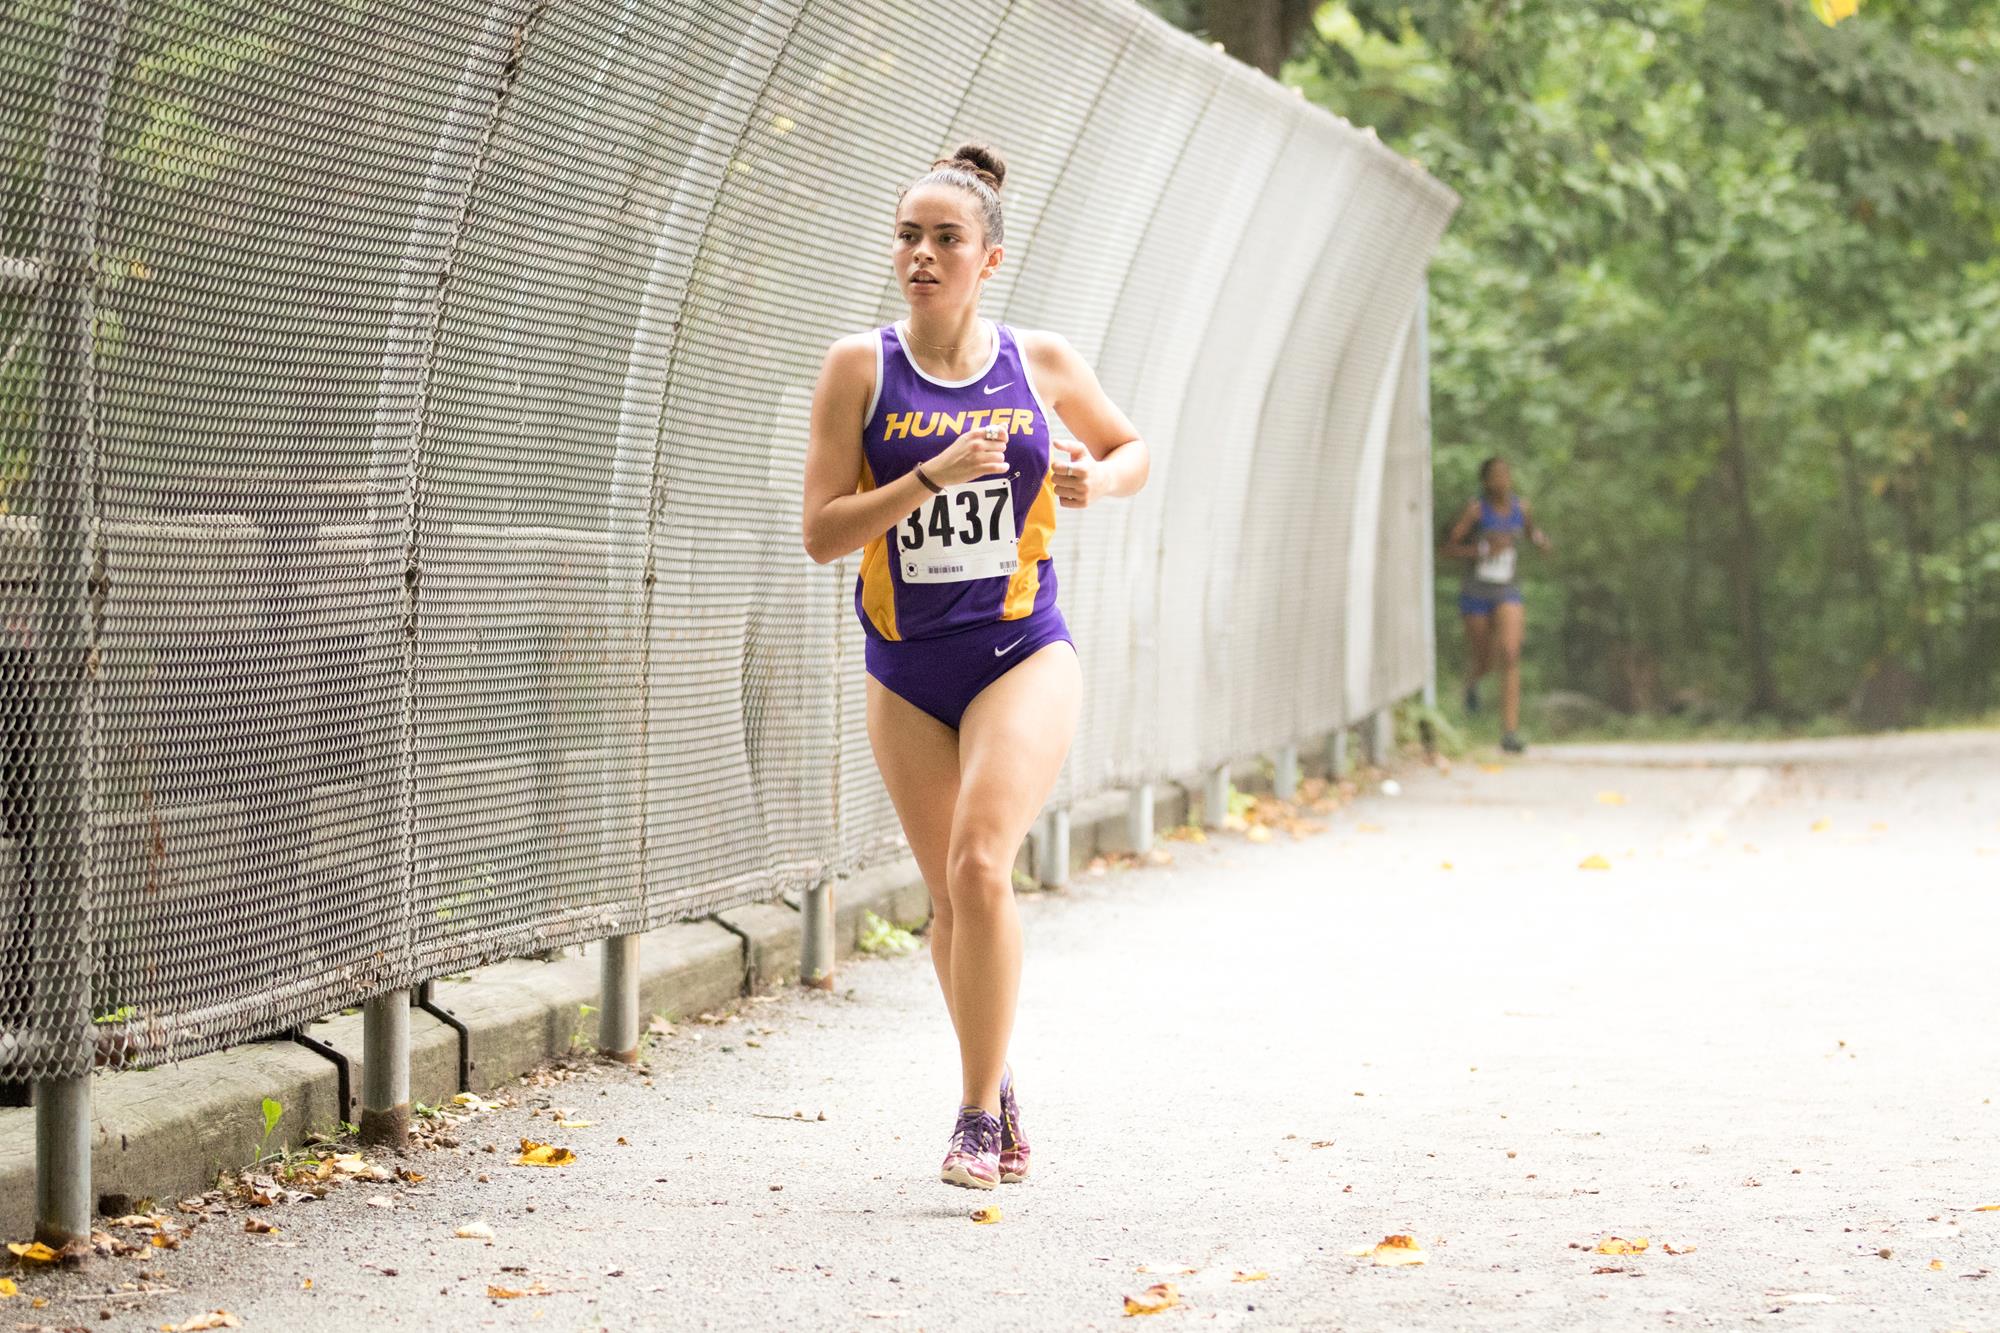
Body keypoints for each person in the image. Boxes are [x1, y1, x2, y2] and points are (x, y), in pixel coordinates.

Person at [801, 143, 1149, 1189]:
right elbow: (821, 533)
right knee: (949, 904)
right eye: (907, 235)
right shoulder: (859, 369)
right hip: (905, 667)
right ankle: (995, 1078)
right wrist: (928, 476)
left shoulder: (1038, 361)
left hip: (1020, 650)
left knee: (979, 864)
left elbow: (1128, 448)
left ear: (987, 259)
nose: (921, 254)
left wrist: (1095, 481)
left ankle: (972, 1119)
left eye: (945, 238)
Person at [1441, 457, 1550, 753]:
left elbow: (1532, 533)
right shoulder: (1475, 511)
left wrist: (1541, 542)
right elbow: (1448, 548)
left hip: (1507, 589)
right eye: (1496, 475)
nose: (1502, 480)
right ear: (1486, 481)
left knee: (1510, 653)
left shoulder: (1520, 508)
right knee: (1485, 659)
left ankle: (1510, 732)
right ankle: (1472, 683)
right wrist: (1481, 550)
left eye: (1506, 474)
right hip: (1476, 591)